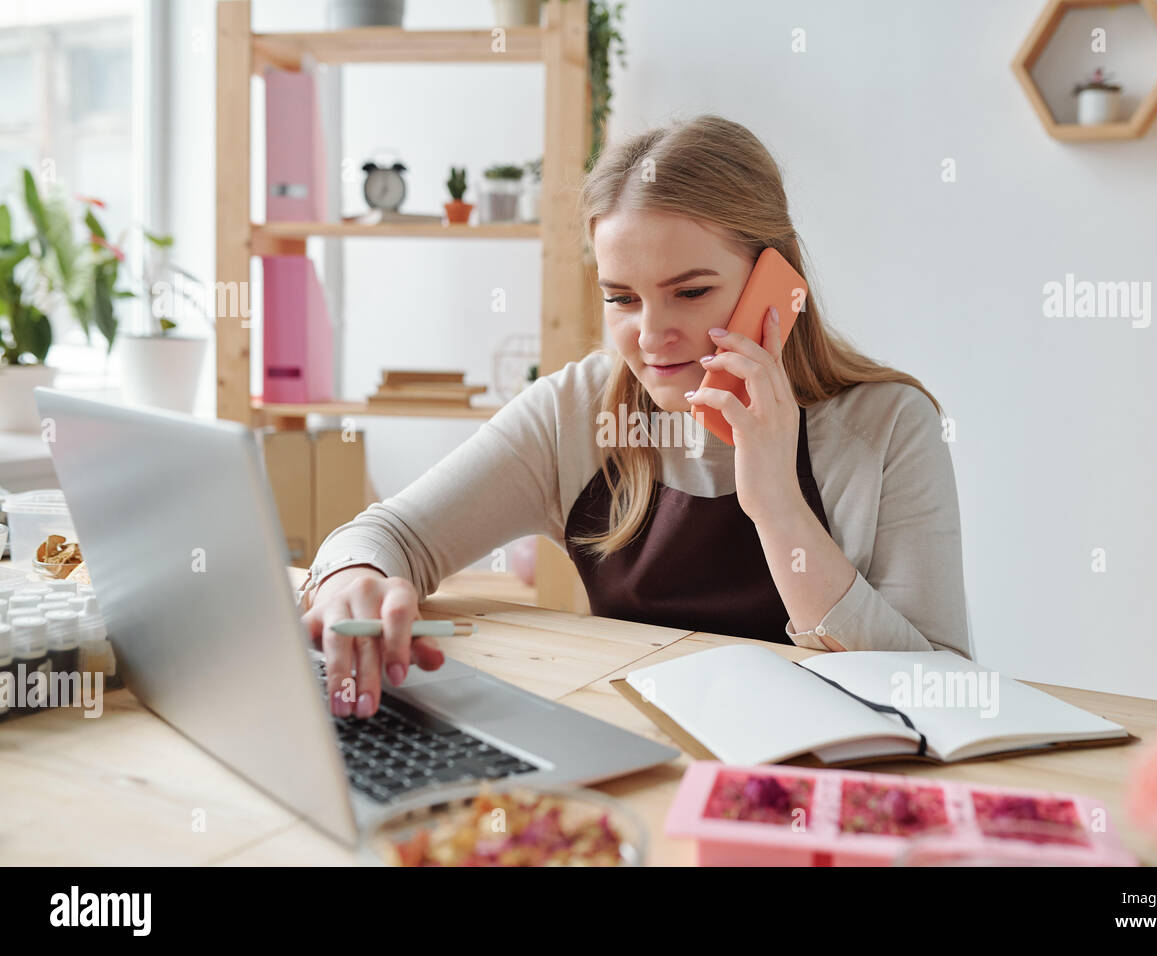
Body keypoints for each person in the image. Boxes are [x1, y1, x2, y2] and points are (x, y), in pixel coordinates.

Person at [299, 114, 969, 720]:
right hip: (637, 760)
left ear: (777, 282)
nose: (653, 335)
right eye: (622, 299)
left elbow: (941, 691)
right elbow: (391, 535)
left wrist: (777, 506)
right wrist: (352, 579)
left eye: (691, 292)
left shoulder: (890, 427)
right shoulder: (577, 409)